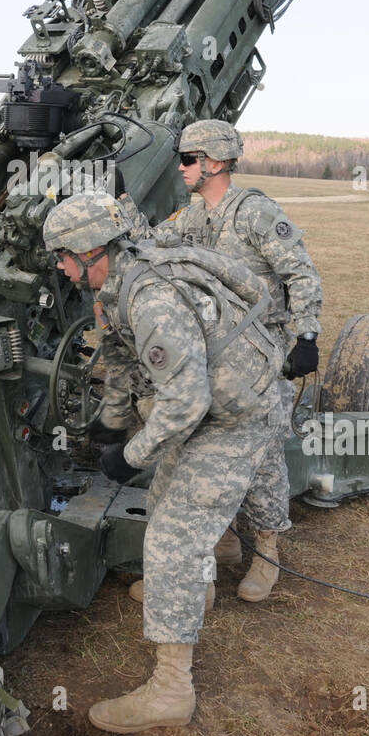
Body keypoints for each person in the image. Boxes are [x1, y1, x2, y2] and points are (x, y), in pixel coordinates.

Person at [43, 191, 284, 733]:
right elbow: (123, 357)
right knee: (162, 499)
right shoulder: (120, 283)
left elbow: (186, 402)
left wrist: (130, 456)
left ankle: (172, 690)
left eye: (62, 254)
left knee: (173, 536)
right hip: (215, 404)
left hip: (236, 413)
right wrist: (112, 420)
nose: (60, 266)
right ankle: (193, 591)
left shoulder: (149, 296)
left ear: (90, 249)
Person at [122, 119, 323, 602]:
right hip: (214, 355)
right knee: (208, 448)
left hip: (263, 356)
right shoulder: (193, 217)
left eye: (188, 160)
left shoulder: (254, 213)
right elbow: (147, 242)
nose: (182, 168)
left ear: (213, 162)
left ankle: (268, 554)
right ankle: (225, 544)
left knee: (263, 457)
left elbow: (300, 272)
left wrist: (307, 336)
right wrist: (120, 202)